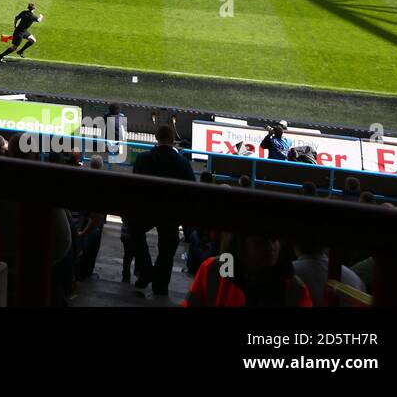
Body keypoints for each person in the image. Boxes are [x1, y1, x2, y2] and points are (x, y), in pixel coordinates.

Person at [130, 124, 196, 298]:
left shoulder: (143, 158)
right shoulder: (182, 163)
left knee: (134, 233)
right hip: (170, 213)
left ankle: (146, 272)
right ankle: (159, 286)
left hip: (146, 210)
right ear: (173, 140)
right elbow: (191, 189)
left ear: (156, 139)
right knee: (167, 250)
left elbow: (134, 186)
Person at [184, 234, 312, 307]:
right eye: (261, 239)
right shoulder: (212, 271)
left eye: (274, 239)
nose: (270, 246)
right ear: (243, 244)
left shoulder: (213, 271)